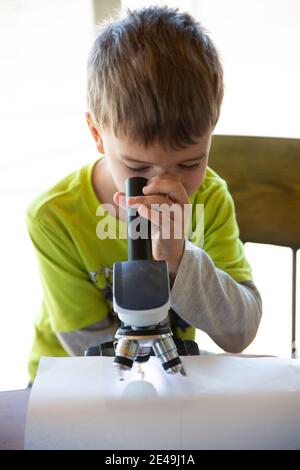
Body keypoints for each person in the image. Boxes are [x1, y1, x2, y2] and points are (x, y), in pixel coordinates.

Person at [26, 6, 262, 384]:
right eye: (137, 168)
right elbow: (88, 348)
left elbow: (239, 332)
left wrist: (179, 258)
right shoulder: (56, 217)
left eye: (189, 165)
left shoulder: (211, 198)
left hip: (167, 383)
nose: (163, 186)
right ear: (97, 133)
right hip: (76, 381)